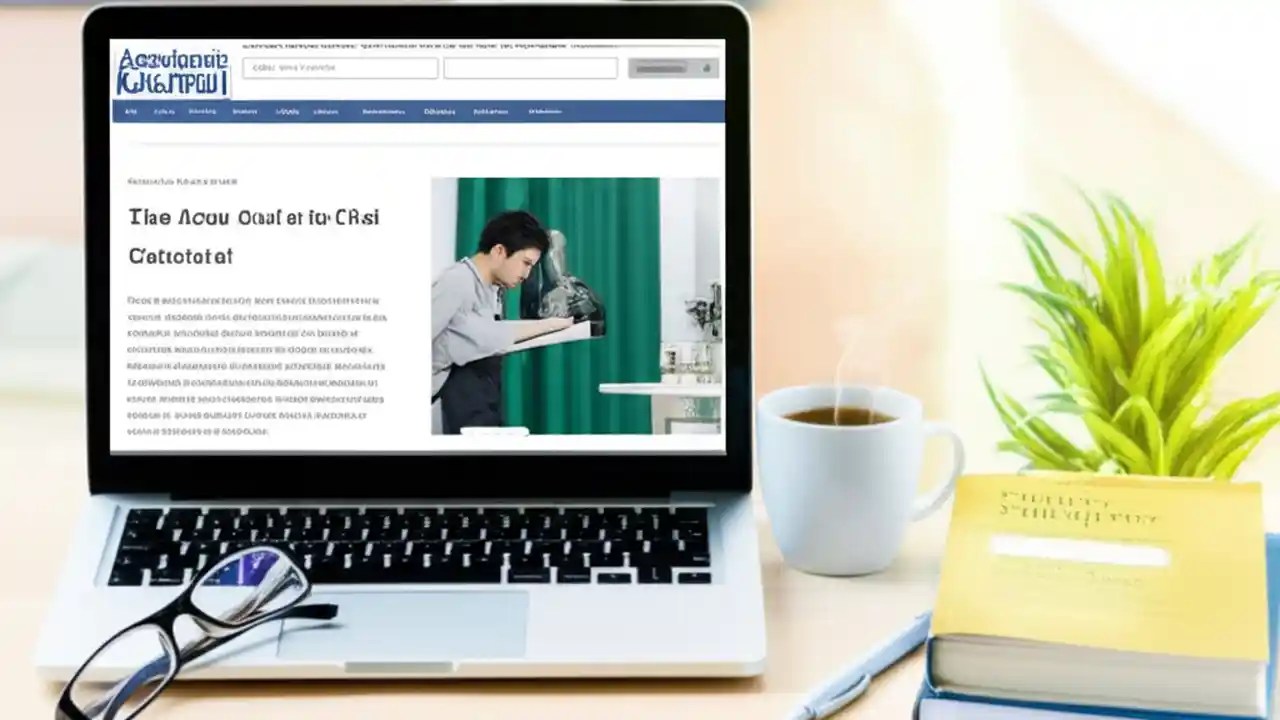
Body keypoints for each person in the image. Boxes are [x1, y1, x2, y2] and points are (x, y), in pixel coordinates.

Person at [431, 210, 573, 434]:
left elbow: (490, 336)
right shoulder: (456, 282)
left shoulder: (493, 290)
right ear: (499, 251)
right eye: (525, 263)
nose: (526, 275)